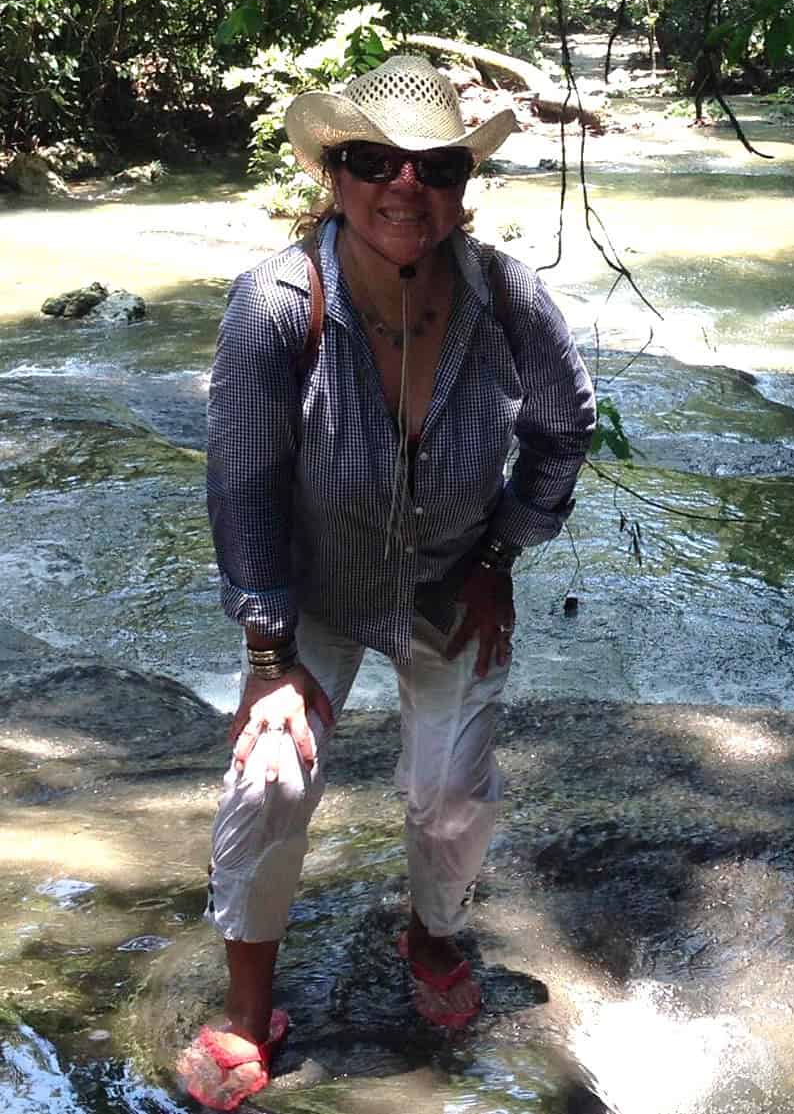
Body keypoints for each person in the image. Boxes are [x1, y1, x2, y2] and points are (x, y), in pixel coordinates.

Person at [176, 55, 595, 1110]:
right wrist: (268, 657)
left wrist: (502, 555)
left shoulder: (505, 297)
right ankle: (245, 1007)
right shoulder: (276, 304)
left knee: (450, 790)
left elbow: (564, 421)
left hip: (452, 569)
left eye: (436, 167)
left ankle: (434, 934)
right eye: (376, 162)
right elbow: (243, 477)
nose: (406, 187)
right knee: (271, 776)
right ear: (335, 177)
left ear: (462, 185)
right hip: (314, 583)